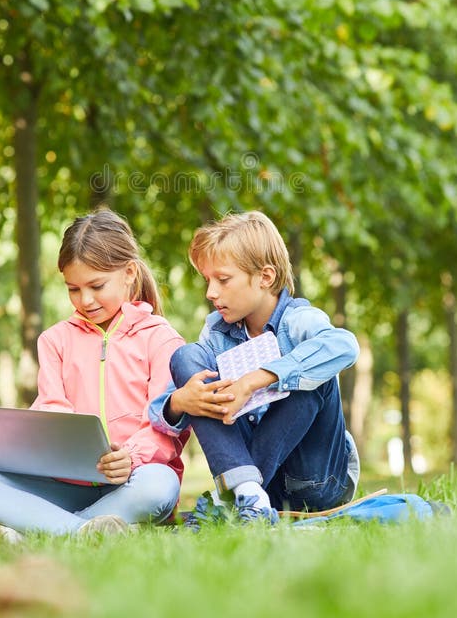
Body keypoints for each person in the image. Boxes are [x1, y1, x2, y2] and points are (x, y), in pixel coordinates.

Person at [0, 208, 189, 539]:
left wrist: (130, 458)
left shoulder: (160, 337)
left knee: (160, 485)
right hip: (63, 484)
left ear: (129, 272)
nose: (85, 300)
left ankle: (43, 526)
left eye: (96, 285)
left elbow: (165, 426)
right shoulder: (54, 340)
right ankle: (84, 532)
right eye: (73, 289)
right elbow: (52, 408)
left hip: (132, 482)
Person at [149, 210, 360, 524]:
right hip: (261, 484)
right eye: (208, 280)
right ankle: (247, 494)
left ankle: (233, 500)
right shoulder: (217, 333)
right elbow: (159, 412)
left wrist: (256, 380)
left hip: (316, 481)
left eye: (223, 279)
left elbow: (345, 346)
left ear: (265, 277)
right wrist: (181, 402)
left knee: (309, 375)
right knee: (185, 357)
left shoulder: (298, 319)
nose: (211, 292)